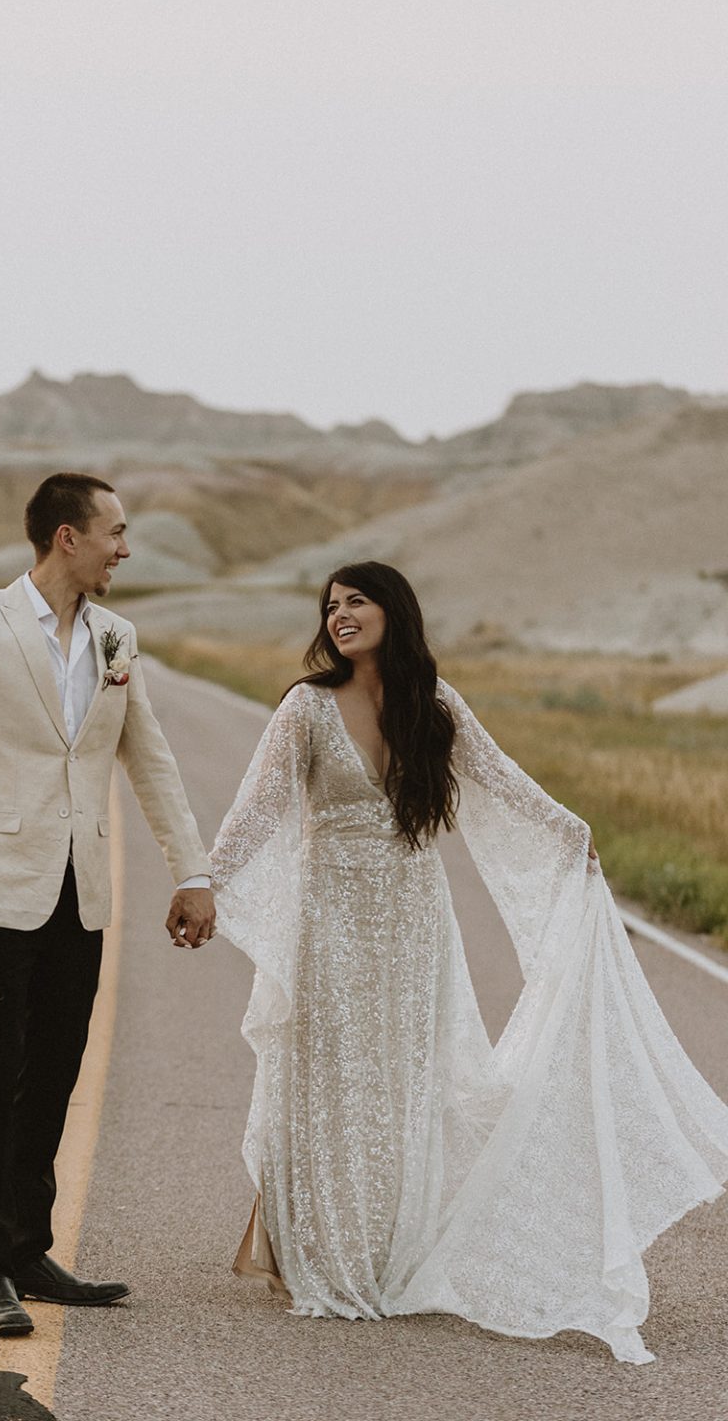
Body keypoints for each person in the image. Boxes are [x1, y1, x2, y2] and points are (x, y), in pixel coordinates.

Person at [211, 561, 728, 1364]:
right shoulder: (305, 708)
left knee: (400, 1086)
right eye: (331, 605)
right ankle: (312, 1247)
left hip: (413, 923)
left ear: (394, 611)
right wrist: (206, 882)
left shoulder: (436, 705)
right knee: (325, 1077)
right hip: (330, 920)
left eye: (357, 601)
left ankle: (387, 1248)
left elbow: (501, 779)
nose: (340, 614)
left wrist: (572, 833)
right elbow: (257, 810)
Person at [0, 472, 216, 1336]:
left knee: (53, 1079)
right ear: (67, 537)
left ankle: (28, 1249)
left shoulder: (117, 637)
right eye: (116, 532)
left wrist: (192, 872)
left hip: (82, 896)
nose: (126, 549)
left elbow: (149, 759)